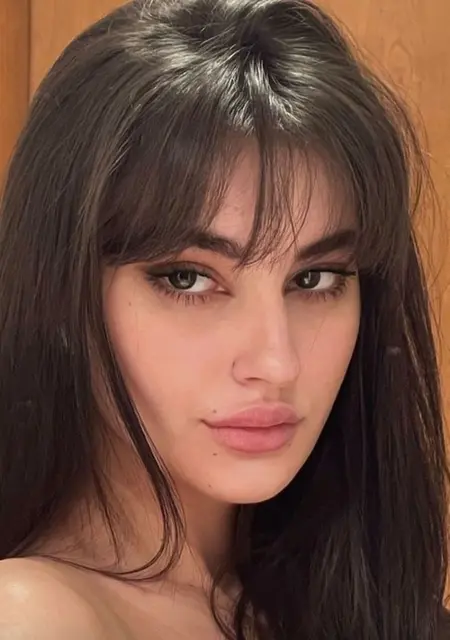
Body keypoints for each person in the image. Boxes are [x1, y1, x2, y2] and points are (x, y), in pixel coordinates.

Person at [0, 0, 448, 637]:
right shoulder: (33, 616)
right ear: (62, 291)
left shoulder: (364, 601)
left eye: (315, 279)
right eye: (188, 279)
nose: (277, 362)